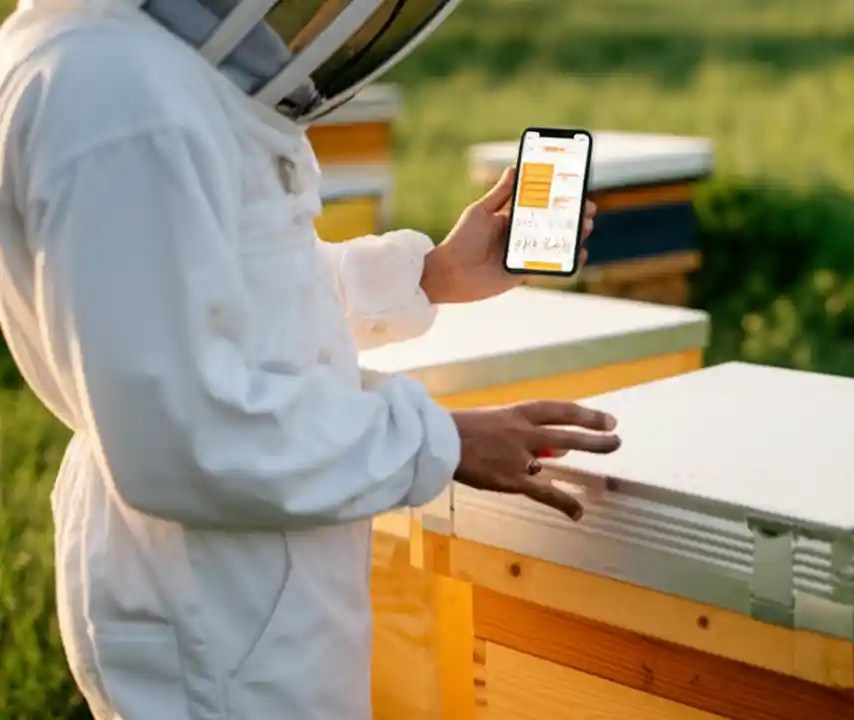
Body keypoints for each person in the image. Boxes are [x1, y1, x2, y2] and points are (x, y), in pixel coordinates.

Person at [0, 0, 620, 717]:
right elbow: (179, 432)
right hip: (216, 619)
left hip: (236, 597)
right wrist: (444, 441)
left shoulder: (129, 67)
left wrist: (429, 276)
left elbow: (227, 286)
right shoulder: (117, 95)